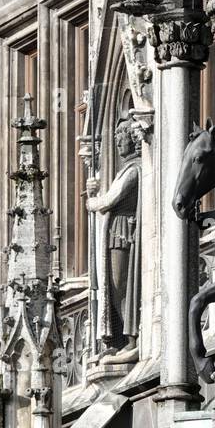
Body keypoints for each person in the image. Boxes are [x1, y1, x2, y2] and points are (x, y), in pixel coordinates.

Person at [88, 114, 142, 356]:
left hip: (123, 232)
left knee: (121, 285)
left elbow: (110, 200)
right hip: (114, 232)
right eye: (117, 138)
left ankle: (130, 336)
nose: (119, 143)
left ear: (133, 138)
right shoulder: (125, 170)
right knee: (113, 286)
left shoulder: (134, 169)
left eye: (123, 138)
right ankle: (118, 338)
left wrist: (93, 200)